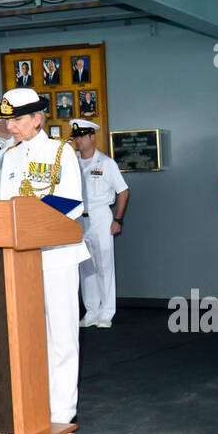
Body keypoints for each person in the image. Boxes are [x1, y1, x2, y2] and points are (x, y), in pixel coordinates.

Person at [0, 87, 90, 423]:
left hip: (57, 255)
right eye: (9, 121)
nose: (11, 127)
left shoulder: (61, 151)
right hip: (23, 257)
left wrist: (33, 217)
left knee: (62, 336)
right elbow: (6, 207)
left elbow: (73, 204)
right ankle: (34, 401)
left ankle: (62, 409)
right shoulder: (10, 156)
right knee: (29, 333)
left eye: (17, 119)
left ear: (38, 119)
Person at [71, 120, 128, 328]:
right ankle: (92, 311)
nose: (78, 140)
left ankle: (107, 312)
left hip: (101, 216)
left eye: (81, 136)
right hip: (78, 218)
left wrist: (118, 219)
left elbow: (123, 191)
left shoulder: (105, 163)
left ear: (92, 137)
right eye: (75, 137)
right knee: (85, 267)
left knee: (104, 265)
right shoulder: (72, 162)